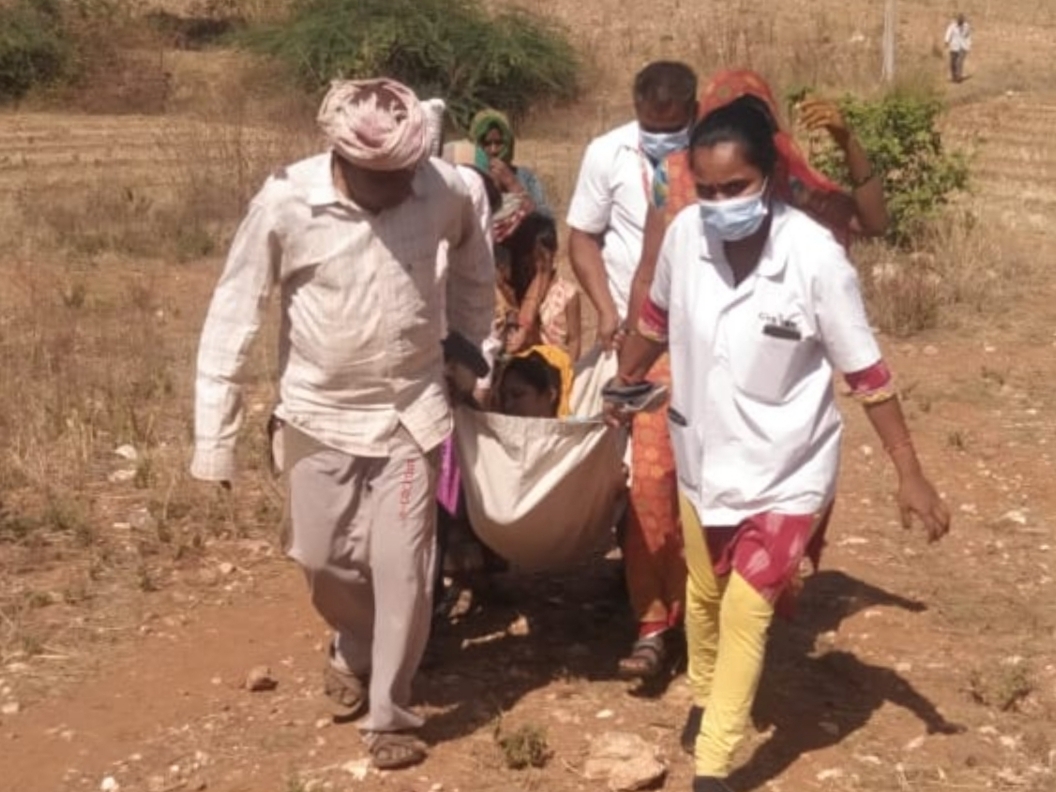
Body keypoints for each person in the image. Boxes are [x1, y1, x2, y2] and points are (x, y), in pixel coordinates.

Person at [610, 97, 951, 792]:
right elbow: (653, 318)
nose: (718, 203)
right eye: (705, 190)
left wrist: (909, 473)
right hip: (704, 455)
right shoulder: (683, 238)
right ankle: (707, 692)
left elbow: (867, 373)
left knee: (744, 608)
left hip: (790, 466)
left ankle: (713, 763)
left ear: (768, 176)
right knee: (703, 592)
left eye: (733, 189)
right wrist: (620, 382)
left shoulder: (814, 258)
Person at [190, 78, 495, 771]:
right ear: (340, 158)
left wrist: (471, 350)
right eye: (378, 178)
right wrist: (215, 440)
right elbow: (235, 309)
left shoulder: (446, 189)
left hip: (412, 413)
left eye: (405, 174)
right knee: (325, 560)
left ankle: (391, 709)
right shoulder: (286, 202)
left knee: (406, 572)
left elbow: (476, 259)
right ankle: (353, 644)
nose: (396, 189)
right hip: (317, 414)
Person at [567, 60, 698, 679]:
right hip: (638, 343)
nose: (662, 140)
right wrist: (605, 310)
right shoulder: (607, 153)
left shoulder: (721, 161)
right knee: (644, 483)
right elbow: (583, 238)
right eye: (652, 126)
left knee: (701, 489)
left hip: (712, 354)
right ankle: (650, 621)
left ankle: (701, 617)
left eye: (673, 129)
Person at [496, 212, 582, 360]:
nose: (537, 265)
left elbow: (575, 339)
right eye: (532, 258)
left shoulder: (568, 294)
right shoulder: (517, 292)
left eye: (542, 257)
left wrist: (570, 369)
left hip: (557, 367)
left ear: (554, 252)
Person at [471, 108, 550, 215]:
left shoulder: (526, 177)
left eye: (499, 143)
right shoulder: (470, 180)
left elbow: (545, 222)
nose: (493, 150)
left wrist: (513, 184)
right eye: (487, 144)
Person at [497, 346, 573, 418]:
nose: (508, 405)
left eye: (517, 394)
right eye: (503, 398)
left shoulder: (576, 430)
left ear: (550, 395)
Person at [944, 13, 972, 83]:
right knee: (953, 62)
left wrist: (969, 44)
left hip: (963, 46)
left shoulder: (966, 26)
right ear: (957, 20)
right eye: (959, 20)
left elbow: (968, 35)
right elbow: (948, 33)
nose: (961, 21)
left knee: (960, 62)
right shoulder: (952, 26)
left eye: (962, 20)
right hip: (954, 46)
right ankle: (954, 76)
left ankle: (959, 77)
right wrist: (946, 41)